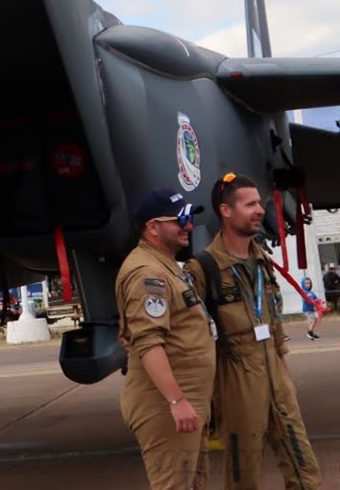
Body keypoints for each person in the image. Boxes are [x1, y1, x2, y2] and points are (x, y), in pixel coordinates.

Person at [184, 172, 322, 489]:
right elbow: (191, 339)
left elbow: (273, 329)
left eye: (259, 203)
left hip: (276, 378)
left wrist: (285, 378)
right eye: (250, 204)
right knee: (244, 477)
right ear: (226, 211)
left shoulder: (262, 261)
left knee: (306, 471)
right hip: (236, 380)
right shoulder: (202, 269)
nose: (260, 209)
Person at [115, 188, 215, 489]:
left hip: (186, 402)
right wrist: (177, 400)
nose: (188, 226)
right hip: (165, 406)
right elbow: (148, 342)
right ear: (153, 227)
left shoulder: (166, 265)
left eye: (188, 218)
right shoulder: (147, 272)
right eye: (180, 219)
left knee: (194, 483)